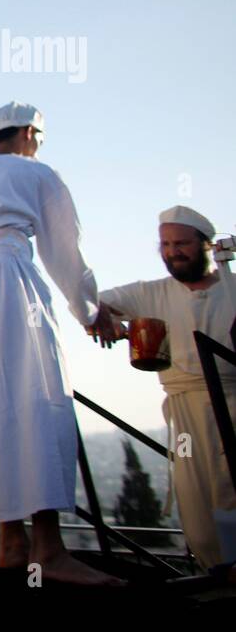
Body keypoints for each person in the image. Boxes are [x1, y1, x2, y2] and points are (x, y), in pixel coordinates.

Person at [0, 101, 121, 585]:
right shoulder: (38, 174)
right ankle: (48, 549)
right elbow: (63, 248)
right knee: (41, 399)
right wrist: (90, 312)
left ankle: (12, 541)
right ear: (30, 133)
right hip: (12, 279)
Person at [93, 205, 236, 569]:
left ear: (206, 245)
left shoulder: (231, 288)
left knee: (231, 492)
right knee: (195, 499)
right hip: (184, 410)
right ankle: (212, 571)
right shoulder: (150, 293)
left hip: (233, 403)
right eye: (166, 244)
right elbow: (94, 303)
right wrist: (106, 322)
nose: (173, 251)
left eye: (182, 243)